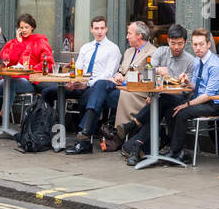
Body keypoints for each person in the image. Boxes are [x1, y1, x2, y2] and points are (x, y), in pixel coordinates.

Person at [125, 28, 219, 165]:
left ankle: (174, 151)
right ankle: (178, 151)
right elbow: (196, 87)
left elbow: (208, 95)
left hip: (214, 104)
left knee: (181, 112)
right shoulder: (198, 61)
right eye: (195, 45)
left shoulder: (214, 64)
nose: (197, 48)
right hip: (197, 99)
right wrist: (187, 82)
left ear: (208, 44)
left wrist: (188, 104)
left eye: (201, 44)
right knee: (166, 102)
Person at [65, 21, 155, 155]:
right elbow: (122, 71)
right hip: (121, 88)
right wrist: (118, 75)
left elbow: (149, 77)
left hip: (136, 93)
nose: (127, 37)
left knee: (97, 95)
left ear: (139, 36)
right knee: (101, 85)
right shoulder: (129, 51)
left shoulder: (152, 52)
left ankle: (84, 135)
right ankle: (85, 135)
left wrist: (125, 78)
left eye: (129, 33)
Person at [0, 13, 53, 125]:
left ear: (32, 27)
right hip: (13, 77)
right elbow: (8, 60)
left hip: (30, 80)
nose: (24, 30)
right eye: (21, 27)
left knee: (11, 83)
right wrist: (18, 43)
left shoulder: (40, 42)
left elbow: (48, 63)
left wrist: (32, 69)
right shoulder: (14, 42)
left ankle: (2, 116)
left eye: (26, 27)